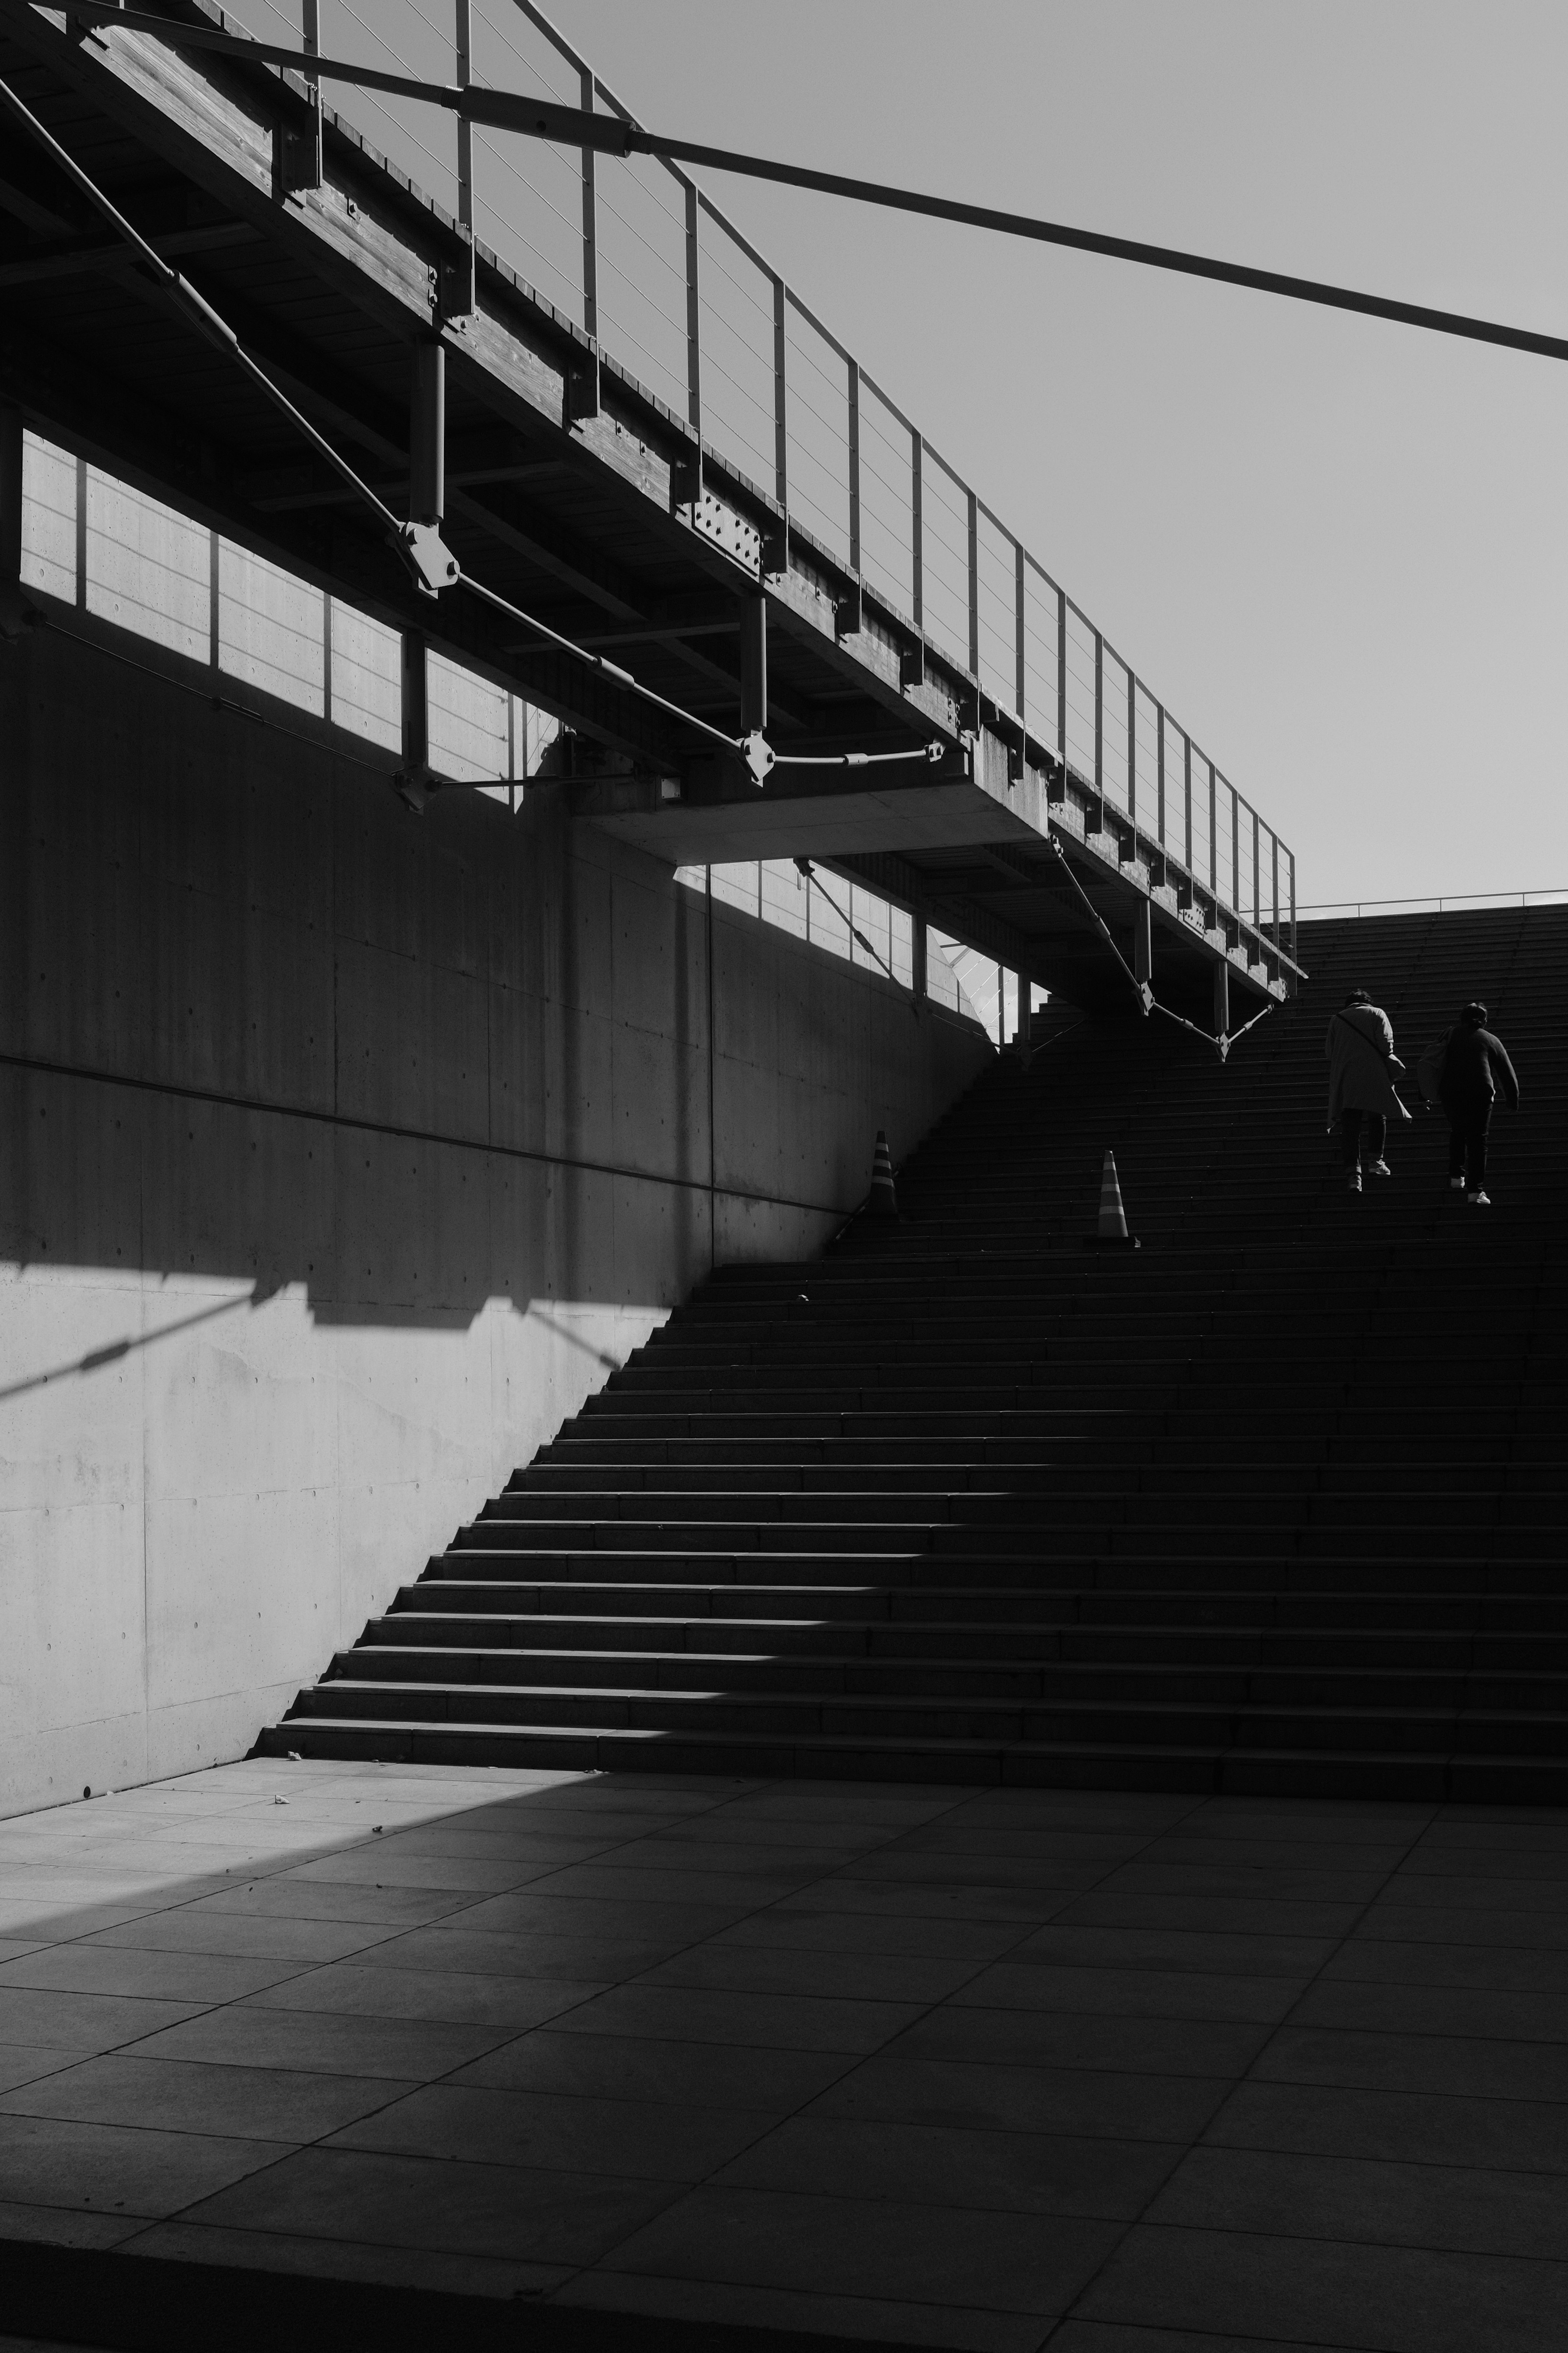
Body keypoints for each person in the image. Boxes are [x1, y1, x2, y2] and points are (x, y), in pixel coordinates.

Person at [1326, 987, 1410, 1194]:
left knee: (1351, 1126)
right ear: (1368, 1003)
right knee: (1377, 1115)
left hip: (1347, 1078)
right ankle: (1376, 1161)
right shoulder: (1377, 1013)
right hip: (1374, 1073)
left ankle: (1354, 1175)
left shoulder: (1337, 1020)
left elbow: (1330, 1051)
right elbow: (1386, 1044)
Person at [1437, 1001, 1520, 1207]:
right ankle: (1476, 1192)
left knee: (1458, 1131)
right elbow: (1506, 1073)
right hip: (1480, 1094)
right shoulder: (1490, 1039)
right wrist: (1512, 1100)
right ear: (1484, 1020)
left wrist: (1425, 1093)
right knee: (1478, 1141)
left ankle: (1456, 1177)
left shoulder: (1449, 1035)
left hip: (1452, 1092)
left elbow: (1432, 1061)